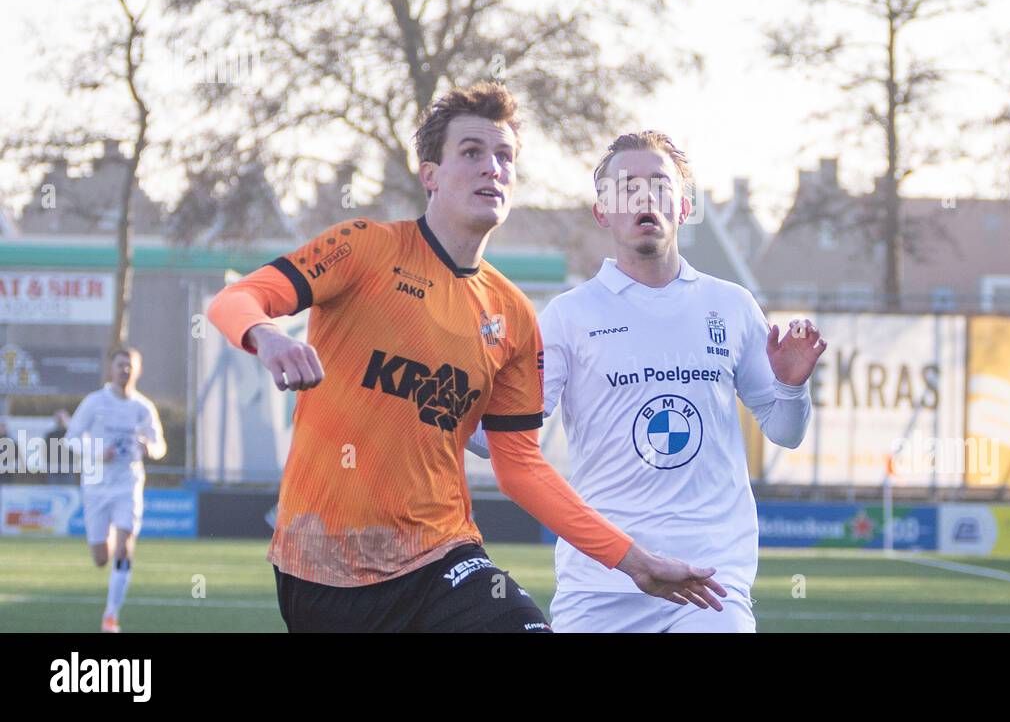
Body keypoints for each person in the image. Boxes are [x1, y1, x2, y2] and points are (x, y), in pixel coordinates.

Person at [206, 83, 724, 632]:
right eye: (472, 153)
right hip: (322, 567)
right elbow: (236, 298)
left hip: (443, 555)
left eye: (504, 157)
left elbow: (522, 469)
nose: (492, 169)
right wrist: (268, 336)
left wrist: (634, 561)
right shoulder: (363, 248)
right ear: (430, 174)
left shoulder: (514, 315)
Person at [469, 131, 826, 632]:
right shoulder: (568, 317)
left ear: (683, 207)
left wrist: (792, 386)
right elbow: (493, 441)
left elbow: (786, 431)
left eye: (658, 185)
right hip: (601, 584)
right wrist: (438, 388)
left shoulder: (731, 305)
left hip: (710, 584)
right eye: (626, 187)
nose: (643, 198)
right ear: (603, 212)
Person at [65, 347, 167, 632]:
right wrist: (98, 451)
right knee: (101, 559)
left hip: (128, 484)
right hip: (96, 487)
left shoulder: (143, 407)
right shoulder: (94, 402)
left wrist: (151, 448)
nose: (125, 370)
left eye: (130, 366)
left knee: (125, 547)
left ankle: (111, 616)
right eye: (120, 365)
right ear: (111, 369)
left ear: (138, 370)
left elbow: (160, 446)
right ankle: (107, 539)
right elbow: (71, 439)